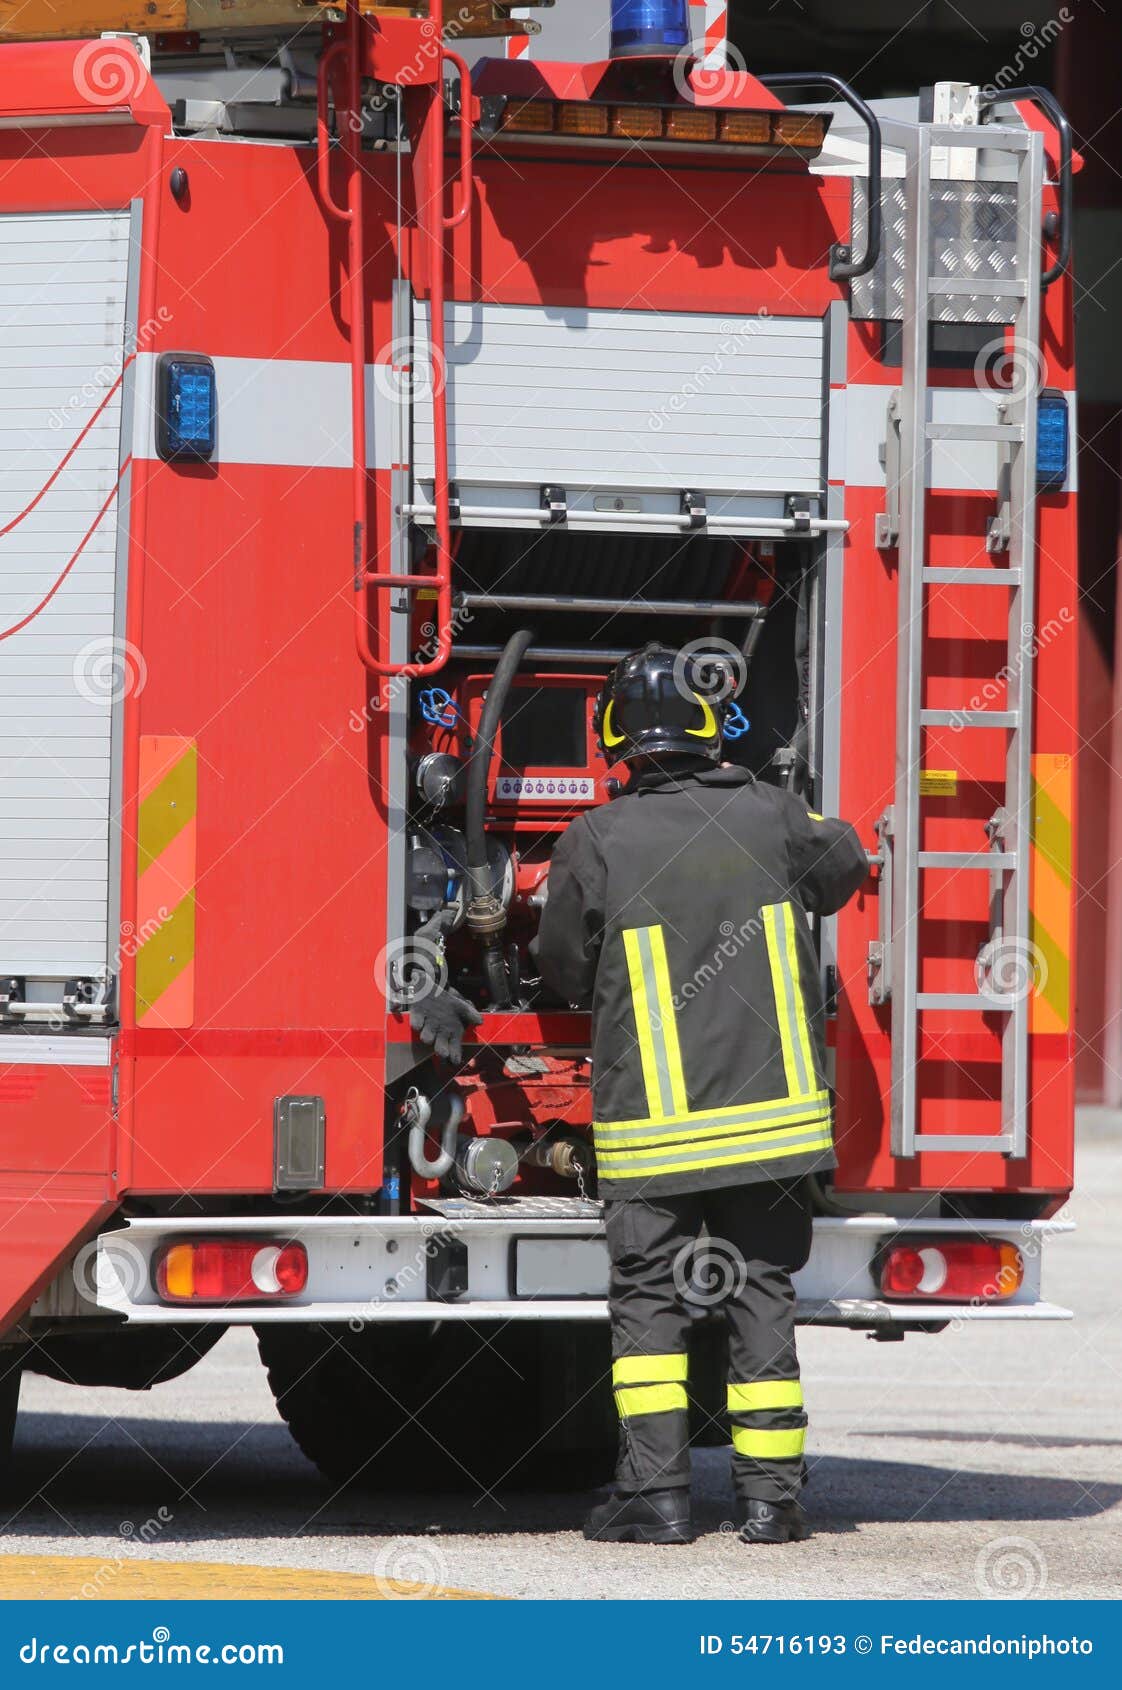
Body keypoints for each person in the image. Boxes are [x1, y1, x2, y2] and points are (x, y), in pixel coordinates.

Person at [536, 642, 867, 1546]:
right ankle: (771, 1503)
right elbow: (845, 860)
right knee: (762, 1293)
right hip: (772, 1127)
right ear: (712, 725)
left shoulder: (597, 838)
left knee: (649, 1300)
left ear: (614, 735)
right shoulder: (772, 815)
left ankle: (657, 1499)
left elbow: (562, 968)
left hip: (654, 1132)